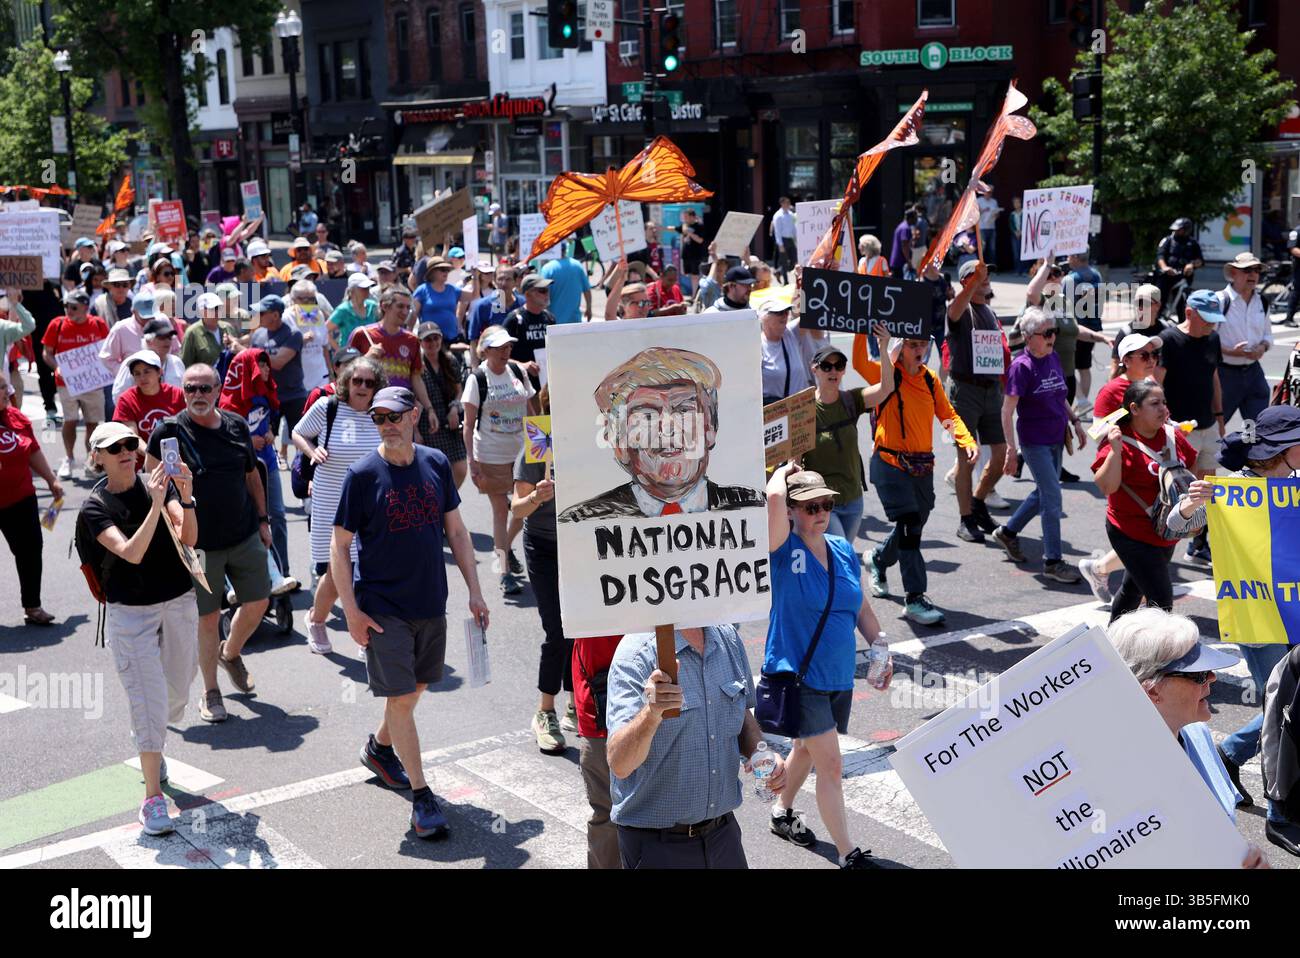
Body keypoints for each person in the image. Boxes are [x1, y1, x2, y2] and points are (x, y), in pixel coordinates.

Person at [332, 386, 489, 839]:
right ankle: (422, 797)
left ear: (414, 415)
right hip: (383, 609)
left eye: (395, 416)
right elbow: (339, 546)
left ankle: (380, 748)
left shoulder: (435, 463)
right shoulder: (362, 476)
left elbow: (456, 532)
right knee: (401, 698)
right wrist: (352, 612)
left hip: (430, 602)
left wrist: (475, 592)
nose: (387, 424)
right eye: (379, 418)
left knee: (415, 687)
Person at [1178, 406, 1300, 844]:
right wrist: (1190, 504)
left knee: (1284, 704)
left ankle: (1228, 755)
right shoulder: (1231, 491)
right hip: (1258, 616)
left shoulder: (1296, 487)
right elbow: (1174, 525)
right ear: (1282, 451)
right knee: (1283, 707)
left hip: (1296, 610)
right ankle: (1280, 811)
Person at [763, 465, 889, 868]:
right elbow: (773, 498)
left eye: (826, 504)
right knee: (831, 765)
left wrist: (879, 646)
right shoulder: (782, 550)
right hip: (800, 677)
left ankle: (780, 811)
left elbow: (862, 608)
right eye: (810, 505)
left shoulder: (841, 550)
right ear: (793, 512)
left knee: (807, 748)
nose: (820, 512)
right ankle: (847, 852)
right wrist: (783, 470)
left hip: (837, 676)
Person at [80, 423, 198, 836]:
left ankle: (152, 733)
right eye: (115, 449)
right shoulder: (95, 507)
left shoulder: (158, 486)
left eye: (132, 444)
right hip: (131, 614)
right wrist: (155, 505)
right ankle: (152, 798)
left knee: (178, 693)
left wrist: (185, 495)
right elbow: (131, 552)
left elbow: (189, 536)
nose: (127, 452)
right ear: (97, 456)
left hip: (179, 602)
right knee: (148, 702)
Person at [146, 364, 273, 724]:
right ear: (183, 391)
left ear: (218, 389)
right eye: (190, 389)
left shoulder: (235, 425)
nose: (197, 395)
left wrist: (264, 521)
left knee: (259, 601)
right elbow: (152, 483)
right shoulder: (168, 432)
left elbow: (253, 476)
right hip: (198, 543)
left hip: (244, 532)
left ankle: (230, 652)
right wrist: (172, 517)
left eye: (204, 388)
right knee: (208, 618)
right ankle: (211, 692)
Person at [606, 619, 786, 869]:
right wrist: (652, 712)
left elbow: (742, 712)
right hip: (658, 846)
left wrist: (759, 752)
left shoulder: (727, 637)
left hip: (723, 835)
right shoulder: (636, 654)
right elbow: (620, 763)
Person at [1107, 608, 1267, 869]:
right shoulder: (1120, 775)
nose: (1212, 678)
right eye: (1198, 674)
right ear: (1153, 690)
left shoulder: (1196, 732)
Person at [558, 347, 764, 522]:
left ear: (710, 428)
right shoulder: (582, 521)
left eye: (684, 410)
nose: (667, 427)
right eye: (647, 415)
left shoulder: (752, 506)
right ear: (619, 442)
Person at [856, 334, 977, 625]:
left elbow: (947, 416)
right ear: (901, 348)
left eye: (923, 344)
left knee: (913, 524)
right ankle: (915, 598)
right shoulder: (888, 374)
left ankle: (878, 559)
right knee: (910, 525)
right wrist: (863, 328)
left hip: (922, 467)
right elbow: (859, 362)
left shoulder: (929, 379)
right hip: (889, 463)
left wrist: (965, 439)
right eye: (912, 344)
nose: (919, 349)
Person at [293, 356, 384, 654]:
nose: (362, 387)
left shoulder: (379, 414)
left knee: (367, 568)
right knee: (336, 572)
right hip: (331, 502)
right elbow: (298, 432)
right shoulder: (328, 407)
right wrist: (312, 450)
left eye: (369, 383)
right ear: (347, 381)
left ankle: (364, 634)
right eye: (357, 381)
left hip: (369, 505)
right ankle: (316, 620)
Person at [1091, 380, 1200, 623]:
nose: (1163, 409)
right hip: (1130, 531)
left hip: (1166, 530)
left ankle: (1114, 641)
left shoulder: (1172, 435)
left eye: (1164, 402)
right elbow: (1107, 486)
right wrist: (1115, 452)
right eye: (1154, 404)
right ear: (1135, 408)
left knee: (1133, 589)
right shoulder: (1119, 439)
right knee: (1161, 599)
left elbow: (1191, 463)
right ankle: (1158, 655)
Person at [995, 308, 1087, 584]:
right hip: (1034, 441)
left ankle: (1008, 533)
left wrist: (1076, 422)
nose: (1052, 337)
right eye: (1046, 333)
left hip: (1056, 436)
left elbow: (1060, 396)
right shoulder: (1021, 367)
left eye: (1053, 332)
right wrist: (1011, 450)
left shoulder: (1053, 357)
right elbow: (1006, 410)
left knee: (1042, 493)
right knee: (1052, 497)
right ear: (1027, 337)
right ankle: (1053, 561)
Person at [511, 389, 580, 754]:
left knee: (579, 625)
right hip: (543, 546)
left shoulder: (588, 445)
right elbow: (517, 509)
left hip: (578, 543)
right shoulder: (536, 447)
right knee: (556, 629)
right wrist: (538, 496)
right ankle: (545, 711)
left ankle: (575, 704)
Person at [1078, 333, 1165, 606]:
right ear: (1126, 361)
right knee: (1140, 535)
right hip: (1124, 473)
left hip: (1151, 470)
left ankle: (1103, 571)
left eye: (1154, 355)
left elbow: (1162, 420)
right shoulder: (1112, 390)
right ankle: (1120, 584)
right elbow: (1096, 431)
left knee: (1150, 534)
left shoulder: (1152, 384)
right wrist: (1127, 413)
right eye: (1145, 356)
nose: (1152, 360)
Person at [801, 332, 895, 549]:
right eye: (826, 366)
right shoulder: (803, 409)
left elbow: (886, 388)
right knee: (842, 552)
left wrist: (883, 348)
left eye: (839, 365)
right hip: (822, 503)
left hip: (853, 499)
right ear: (814, 369)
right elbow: (795, 458)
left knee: (840, 555)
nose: (833, 371)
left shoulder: (851, 400)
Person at [217, 349, 298, 599]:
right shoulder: (229, 403)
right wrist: (248, 441)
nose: (264, 370)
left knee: (279, 516)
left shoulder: (267, 391)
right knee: (249, 522)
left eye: (266, 366)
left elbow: (271, 417)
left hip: (268, 463)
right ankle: (250, 579)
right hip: (242, 468)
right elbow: (222, 436)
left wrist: (272, 431)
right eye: (259, 365)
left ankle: (283, 573)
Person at [462, 326, 536, 594]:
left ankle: (504, 547)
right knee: (500, 511)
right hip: (490, 455)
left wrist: (542, 448)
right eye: (501, 347)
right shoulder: (477, 379)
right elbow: (468, 425)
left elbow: (530, 410)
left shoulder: (518, 372)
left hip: (521, 453)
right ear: (487, 350)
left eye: (509, 347)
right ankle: (504, 572)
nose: (506, 352)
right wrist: (472, 462)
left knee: (524, 508)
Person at [1159, 288, 1226, 564]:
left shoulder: (1213, 339)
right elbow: (1156, 384)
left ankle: (1198, 546)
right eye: (1207, 318)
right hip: (1179, 430)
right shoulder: (1169, 340)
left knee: (1206, 489)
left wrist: (1220, 416)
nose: (1212, 323)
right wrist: (1163, 425)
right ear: (1189, 313)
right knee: (1180, 496)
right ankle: (1161, 551)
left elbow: (1214, 378)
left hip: (1208, 426)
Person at [946, 259, 1007, 542]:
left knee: (1001, 454)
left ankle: (979, 502)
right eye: (976, 275)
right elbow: (953, 311)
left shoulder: (991, 313)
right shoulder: (961, 310)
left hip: (991, 390)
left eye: (986, 274)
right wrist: (971, 285)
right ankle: (965, 517)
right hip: (966, 392)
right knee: (967, 459)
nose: (984, 278)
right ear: (965, 281)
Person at [0, 370, 62, 625]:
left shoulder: (15, 417)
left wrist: (51, 479)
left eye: (6, 387)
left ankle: (33, 606)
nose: (9, 391)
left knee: (30, 550)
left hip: (20, 497)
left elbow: (32, 450)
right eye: (3, 388)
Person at [41, 289, 109, 481]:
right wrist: (56, 367)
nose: (68, 310)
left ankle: (91, 460)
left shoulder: (98, 324)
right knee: (69, 420)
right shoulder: (57, 324)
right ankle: (69, 458)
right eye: (66, 306)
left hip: (93, 382)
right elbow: (47, 352)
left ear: (85, 307)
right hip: (66, 383)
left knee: (92, 423)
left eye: (73, 307)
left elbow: (107, 349)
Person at [348, 287, 438, 419]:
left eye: (408, 307)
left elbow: (416, 378)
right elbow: (344, 372)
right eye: (400, 306)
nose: (405, 312)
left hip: (401, 409)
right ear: (384, 306)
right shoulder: (362, 334)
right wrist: (367, 358)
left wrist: (430, 409)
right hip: (370, 409)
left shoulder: (411, 340)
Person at [249, 295, 308, 475]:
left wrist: (242, 350)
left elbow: (278, 362)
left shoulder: (293, 334)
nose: (258, 315)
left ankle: (304, 482)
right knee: (265, 438)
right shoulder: (257, 334)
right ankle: (268, 473)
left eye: (262, 312)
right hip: (267, 397)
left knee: (302, 441)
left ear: (275, 315)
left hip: (293, 397)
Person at [1217, 252, 1273, 428]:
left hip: (1253, 373)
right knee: (1216, 428)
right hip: (1225, 374)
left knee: (1256, 428)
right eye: (1247, 270)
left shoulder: (1262, 301)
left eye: (1257, 270)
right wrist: (1229, 351)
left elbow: (1267, 336)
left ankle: (1250, 454)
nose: (1253, 275)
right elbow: (1206, 340)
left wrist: (1262, 348)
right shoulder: (1220, 300)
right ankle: (1216, 456)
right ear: (1234, 273)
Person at [415, 323, 467, 485]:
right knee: (435, 472)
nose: (432, 343)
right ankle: (441, 506)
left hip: (450, 422)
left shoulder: (450, 360)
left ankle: (446, 503)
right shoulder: (417, 365)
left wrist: (454, 407)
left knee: (460, 469)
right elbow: (413, 399)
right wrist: (415, 431)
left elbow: (459, 390)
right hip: (428, 424)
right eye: (427, 339)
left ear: (441, 339)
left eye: (435, 338)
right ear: (420, 342)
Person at [112, 351, 185, 444]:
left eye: (147, 372)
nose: (142, 377)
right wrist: (151, 456)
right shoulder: (126, 400)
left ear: (159, 372)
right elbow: (133, 437)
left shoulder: (178, 394)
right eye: (137, 373)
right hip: (143, 457)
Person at [759, 297, 816, 405]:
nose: (785, 316)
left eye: (786, 312)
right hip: (775, 413)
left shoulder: (790, 333)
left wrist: (801, 289)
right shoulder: (758, 346)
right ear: (764, 317)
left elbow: (811, 313)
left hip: (802, 407)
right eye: (779, 313)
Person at [1108, 283, 1168, 379]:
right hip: (1134, 390)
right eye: (1137, 303)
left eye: (1144, 303)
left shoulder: (1167, 331)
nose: (1140, 308)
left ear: (1158, 305)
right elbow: (1115, 370)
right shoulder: (1126, 332)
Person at [284, 280, 332, 398]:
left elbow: (324, 346)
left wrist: (330, 372)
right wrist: (300, 340)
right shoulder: (286, 317)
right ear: (293, 299)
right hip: (299, 380)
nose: (307, 303)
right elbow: (282, 348)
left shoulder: (318, 314)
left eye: (311, 299)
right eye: (303, 299)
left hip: (320, 376)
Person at [467, 263, 522, 364]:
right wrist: (474, 368)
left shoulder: (523, 304)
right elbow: (474, 340)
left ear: (515, 282)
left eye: (508, 279)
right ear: (495, 280)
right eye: (500, 279)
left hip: (521, 362)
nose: (503, 283)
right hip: (494, 364)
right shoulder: (483, 306)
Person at [1155, 217, 1204, 316]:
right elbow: (1160, 256)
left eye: (1180, 230)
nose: (1177, 231)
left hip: (1183, 278)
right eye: (1176, 229)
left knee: (1182, 305)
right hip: (1167, 276)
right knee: (1160, 301)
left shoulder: (1193, 243)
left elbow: (1201, 261)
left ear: (1187, 230)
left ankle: (1182, 327)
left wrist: (1192, 264)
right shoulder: (1167, 240)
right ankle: (1156, 322)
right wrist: (1165, 268)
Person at [181, 291, 239, 371]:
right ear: (202, 311)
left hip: (229, 381)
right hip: (204, 381)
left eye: (219, 307)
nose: (218, 311)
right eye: (214, 308)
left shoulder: (228, 328)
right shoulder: (192, 333)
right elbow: (185, 364)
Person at [410, 257, 462, 343]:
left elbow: (474, 295)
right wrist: (409, 334)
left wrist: (475, 277)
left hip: (451, 338)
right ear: (432, 272)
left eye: (447, 270)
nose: (446, 272)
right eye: (442, 269)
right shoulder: (422, 290)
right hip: (430, 339)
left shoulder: (452, 289)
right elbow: (413, 314)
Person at [539, 246, 592, 324]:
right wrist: (589, 308)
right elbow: (587, 290)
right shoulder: (577, 265)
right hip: (575, 320)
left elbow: (541, 295)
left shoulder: (547, 269)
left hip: (554, 321)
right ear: (565, 250)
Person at [328, 272, 379, 349]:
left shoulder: (373, 306)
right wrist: (339, 351)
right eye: (363, 288)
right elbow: (325, 331)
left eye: (368, 287)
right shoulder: (343, 310)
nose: (367, 290)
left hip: (371, 356)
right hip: (350, 358)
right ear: (352, 290)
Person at [677, 207, 707, 296]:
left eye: (686, 217)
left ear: (692, 217)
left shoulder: (699, 226)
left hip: (696, 255)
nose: (684, 219)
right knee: (690, 275)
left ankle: (695, 295)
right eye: (684, 217)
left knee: (696, 275)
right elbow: (674, 229)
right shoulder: (685, 226)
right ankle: (693, 294)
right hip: (686, 255)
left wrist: (689, 233)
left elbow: (700, 240)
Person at [770, 196, 798, 281]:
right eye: (786, 203)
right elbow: (777, 231)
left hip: (790, 240)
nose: (788, 204)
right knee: (784, 262)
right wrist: (780, 244)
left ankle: (778, 272)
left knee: (794, 261)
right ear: (782, 204)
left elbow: (794, 228)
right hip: (783, 240)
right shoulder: (778, 215)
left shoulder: (791, 214)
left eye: (789, 203)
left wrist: (796, 239)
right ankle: (786, 281)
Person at [889, 208, 917, 277]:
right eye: (915, 218)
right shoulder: (905, 228)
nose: (916, 220)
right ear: (911, 218)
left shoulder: (902, 226)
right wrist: (909, 262)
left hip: (896, 262)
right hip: (899, 263)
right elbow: (904, 246)